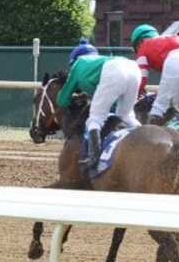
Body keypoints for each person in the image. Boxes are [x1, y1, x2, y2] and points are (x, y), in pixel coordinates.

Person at [58, 39, 141, 170]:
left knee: (94, 119)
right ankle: (143, 138)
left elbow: (62, 99)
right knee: (127, 116)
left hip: (115, 71)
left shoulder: (78, 64)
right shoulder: (100, 62)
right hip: (134, 68)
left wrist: (70, 97)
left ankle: (94, 157)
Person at [130, 24, 179, 125]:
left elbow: (141, 78)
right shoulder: (166, 39)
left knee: (159, 105)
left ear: (139, 42)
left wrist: (134, 97)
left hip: (177, 60)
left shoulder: (144, 46)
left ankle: (151, 136)